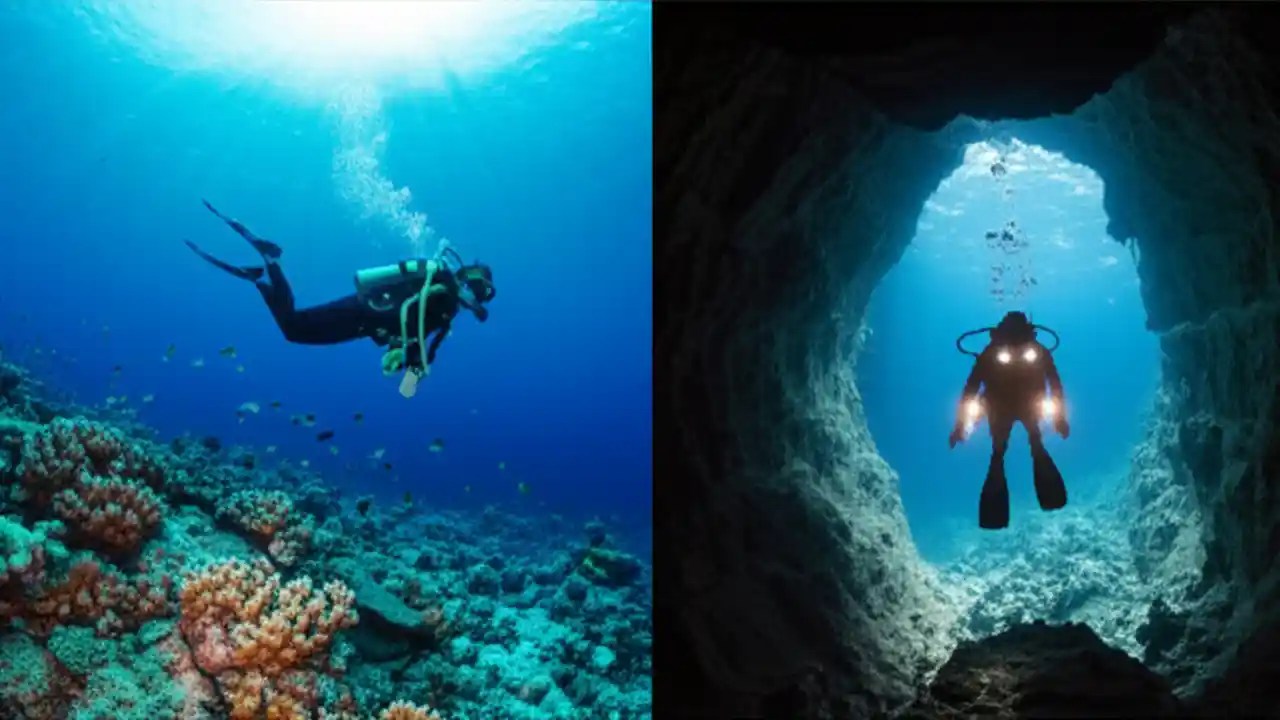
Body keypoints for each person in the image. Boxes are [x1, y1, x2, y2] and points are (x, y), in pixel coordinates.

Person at [184, 200, 495, 398]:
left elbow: (417, 341)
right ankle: (270, 266)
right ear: (466, 279)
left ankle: (266, 274)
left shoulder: (445, 311)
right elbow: (414, 327)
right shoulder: (439, 284)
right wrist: (409, 370)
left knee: (294, 330)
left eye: (479, 296)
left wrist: (403, 362)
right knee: (294, 327)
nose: (474, 299)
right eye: (476, 291)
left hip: (364, 324)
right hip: (362, 310)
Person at [948, 311, 1069, 529]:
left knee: (1017, 447)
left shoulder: (1020, 352)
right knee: (1012, 449)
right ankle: (1039, 499)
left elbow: (970, 389)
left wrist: (1060, 418)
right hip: (1003, 407)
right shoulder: (998, 352)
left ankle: (1000, 510)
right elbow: (971, 388)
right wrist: (1059, 419)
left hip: (1014, 407)